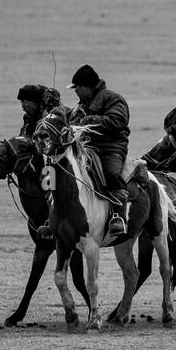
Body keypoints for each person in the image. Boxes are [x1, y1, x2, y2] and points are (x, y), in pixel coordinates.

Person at [68, 64, 132, 235]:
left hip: (111, 148)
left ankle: (118, 216)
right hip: (87, 148)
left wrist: (88, 120)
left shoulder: (112, 98)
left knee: (111, 173)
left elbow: (118, 120)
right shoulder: (82, 103)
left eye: (77, 87)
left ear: (85, 86)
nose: (75, 91)